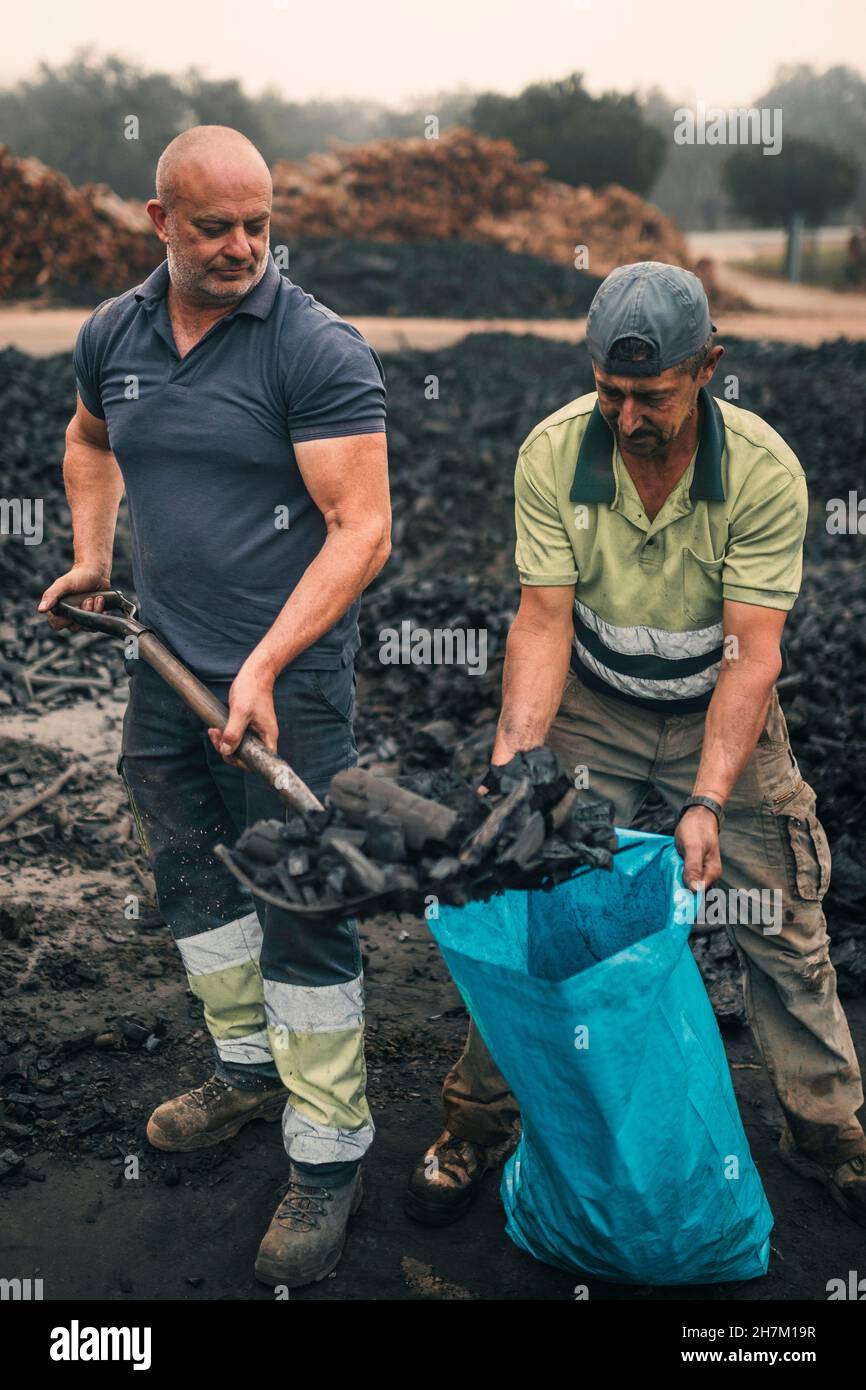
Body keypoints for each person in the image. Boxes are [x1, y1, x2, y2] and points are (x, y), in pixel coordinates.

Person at [405, 261, 866, 1230]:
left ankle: (825, 1128)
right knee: (523, 892)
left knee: (778, 911)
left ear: (707, 367)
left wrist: (704, 799)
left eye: (647, 395)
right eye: (606, 391)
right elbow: (539, 623)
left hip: (719, 707)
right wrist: (512, 776)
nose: (622, 416)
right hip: (596, 704)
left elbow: (750, 659)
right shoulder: (551, 455)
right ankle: (479, 1119)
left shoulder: (762, 472)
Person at [39, 125, 391, 1288]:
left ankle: (328, 1150)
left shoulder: (313, 347)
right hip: (163, 664)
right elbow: (92, 439)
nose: (243, 246)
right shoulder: (113, 334)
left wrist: (265, 665)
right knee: (190, 877)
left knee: (302, 899)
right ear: (159, 223)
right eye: (214, 227)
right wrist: (95, 558)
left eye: (260, 223)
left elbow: (361, 528)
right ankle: (246, 1069)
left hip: (289, 686)